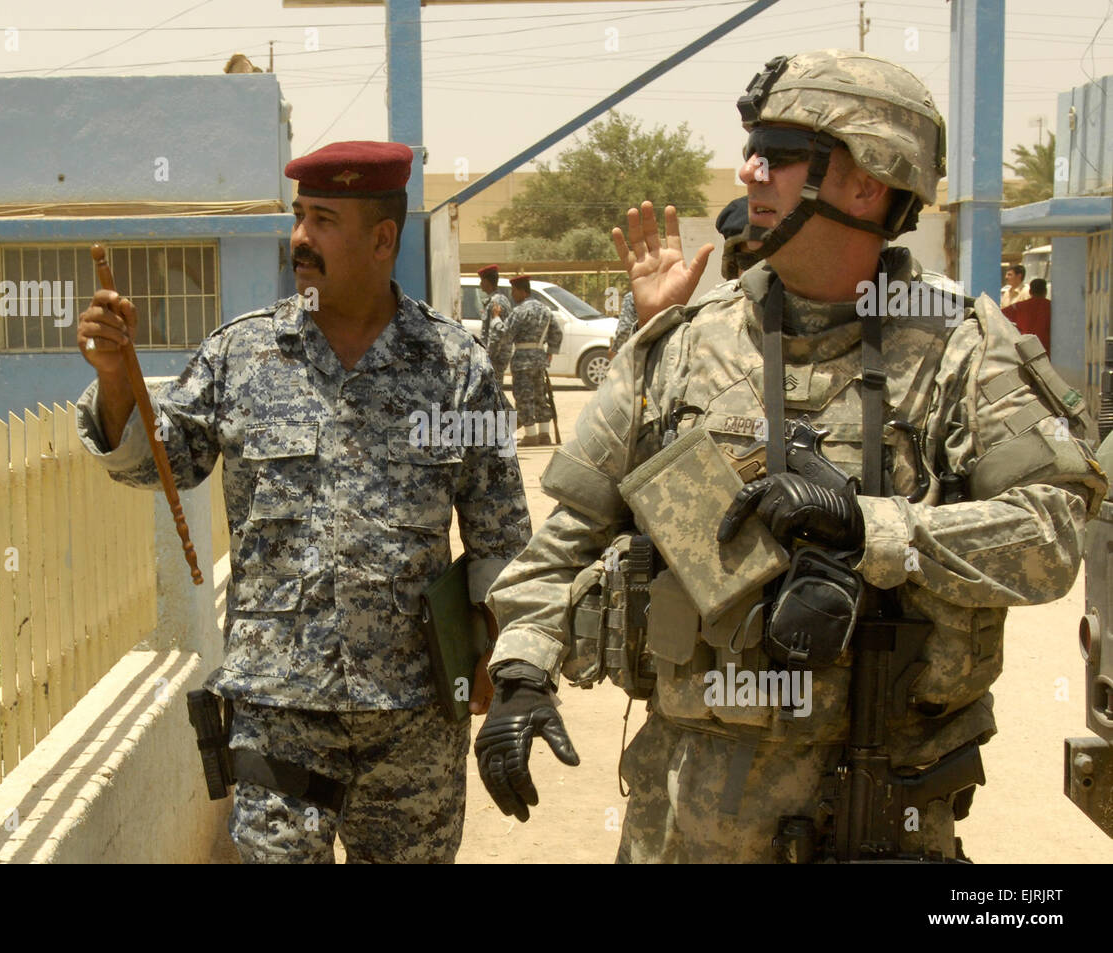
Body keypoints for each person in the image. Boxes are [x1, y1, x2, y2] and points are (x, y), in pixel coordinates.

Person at [474, 50, 1106, 863]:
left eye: (777, 153)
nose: (748, 170)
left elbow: (1051, 539)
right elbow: (565, 543)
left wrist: (874, 529)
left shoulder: (963, 352)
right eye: (751, 149)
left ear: (867, 182)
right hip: (676, 830)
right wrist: (522, 672)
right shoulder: (679, 347)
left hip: (873, 822)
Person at [74, 140, 531, 864]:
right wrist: (113, 378)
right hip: (278, 712)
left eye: (322, 220)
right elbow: (159, 464)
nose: (299, 239)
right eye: (298, 218)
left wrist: (502, 655)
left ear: (382, 238)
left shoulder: (453, 367)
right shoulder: (243, 354)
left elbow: (500, 531)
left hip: (412, 716)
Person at [606, 197, 751, 363]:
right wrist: (654, 329)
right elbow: (649, 383)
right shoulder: (710, 330)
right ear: (734, 266)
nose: (764, 273)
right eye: (751, 260)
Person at [491, 275, 561, 446]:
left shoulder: (520, 311)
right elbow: (557, 333)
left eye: (514, 291)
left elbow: (505, 334)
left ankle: (531, 435)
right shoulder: (545, 310)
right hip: (539, 358)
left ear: (522, 291)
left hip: (522, 360)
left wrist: (496, 320)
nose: (513, 295)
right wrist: (550, 351)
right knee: (540, 396)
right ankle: (545, 434)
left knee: (524, 397)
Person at [476, 264, 513, 379]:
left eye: (482, 280)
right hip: (497, 356)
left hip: (495, 358)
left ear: (487, 282)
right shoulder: (500, 299)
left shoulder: (495, 302)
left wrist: (488, 357)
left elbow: (497, 333)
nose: (480, 284)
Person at [1003, 277, 1051, 355]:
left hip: (1025, 352)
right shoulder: (1052, 308)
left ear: (1030, 291)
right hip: (1046, 352)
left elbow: (1000, 315)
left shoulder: (1018, 307)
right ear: (1045, 291)